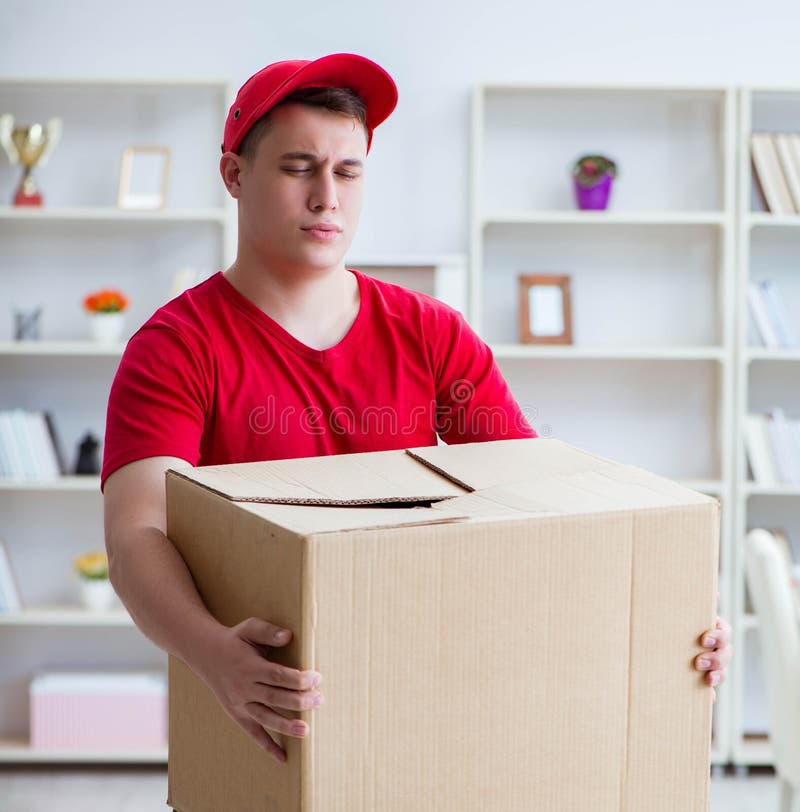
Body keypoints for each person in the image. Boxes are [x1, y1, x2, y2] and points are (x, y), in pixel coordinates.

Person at [102, 53, 733, 765]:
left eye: (348, 171)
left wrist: (665, 622)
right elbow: (136, 538)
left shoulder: (432, 334)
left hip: (421, 689)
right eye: (297, 167)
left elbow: (538, 507)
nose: (326, 198)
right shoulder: (175, 347)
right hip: (258, 703)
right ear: (235, 175)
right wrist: (213, 653)